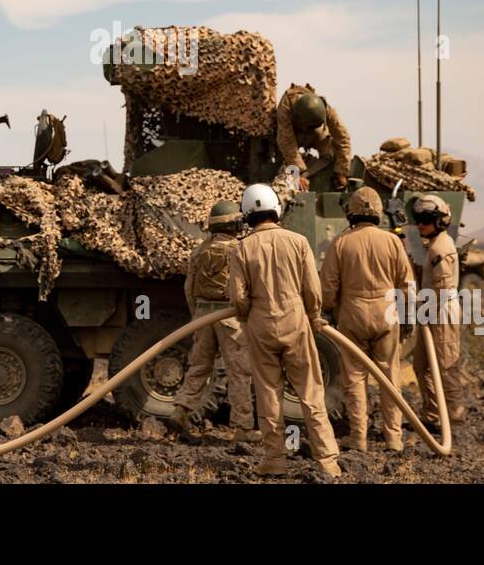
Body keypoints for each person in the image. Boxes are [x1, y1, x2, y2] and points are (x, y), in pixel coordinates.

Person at [228, 183, 341, 478]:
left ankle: (274, 460)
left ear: (247, 214)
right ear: (276, 209)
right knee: (310, 392)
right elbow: (313, 291)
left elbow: (238, 298)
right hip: (296, 322)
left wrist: (246, 315)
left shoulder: (241, 248)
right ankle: (327, 460)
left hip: (260, 325)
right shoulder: (299, 241)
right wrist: (314, 317)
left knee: (268, 394)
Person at [321, 187, 415, 452]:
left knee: (355, 378)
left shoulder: (341, 243)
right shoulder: (392, 242)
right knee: (390, 377)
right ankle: (393, 437)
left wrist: (328, 309)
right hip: (387, 317)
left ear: (351, 213)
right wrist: (408, 314)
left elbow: (327, 287)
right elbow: (407, 284)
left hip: (352, 318)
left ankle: (359, 437)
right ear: (378, 213)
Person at [167, 200, 261, 443]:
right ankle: (243, 428)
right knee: (238, 372)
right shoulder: (240, 249)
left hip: (202, 315)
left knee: (199, 367)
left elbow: (189, 287)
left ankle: (180, 411)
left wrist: (196, 316)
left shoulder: (199, 250)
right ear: (233, 224)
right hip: (229, 317)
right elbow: (245, 288)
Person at [410, 194, 467, 428]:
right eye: (418, 219)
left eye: (426, 219)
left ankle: (454, 418)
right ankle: (433, 415)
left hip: (441, 311)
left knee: (445, 366)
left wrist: (423, 309)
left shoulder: (440, 248)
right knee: (422, 366)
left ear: (440, 220)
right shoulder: (434, 244)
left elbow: (442, 288)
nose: (421, 224)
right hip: (431, 309)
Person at [275, 83, 352, 190]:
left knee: (331, 153)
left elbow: (343, 136)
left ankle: (311, 174)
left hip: (313, 130)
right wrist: (298, 171)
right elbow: (286, 141)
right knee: (284, 158)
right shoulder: (285, 109)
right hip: (291, 132)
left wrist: (341, 171)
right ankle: (295, 174)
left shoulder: (325, 109)